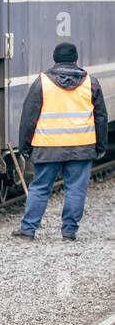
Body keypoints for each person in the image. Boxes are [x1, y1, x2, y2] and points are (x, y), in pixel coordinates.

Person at [14, 42, 108, 241]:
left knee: (39, 188)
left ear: (55, 59)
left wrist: (24, 146)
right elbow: (101, 118)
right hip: (81, 147)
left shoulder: (42, 82)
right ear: (76, 60)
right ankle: (69, 232)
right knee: (75, 189)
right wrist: (100, 146)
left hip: (48, 146)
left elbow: (28, 117)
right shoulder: (90, 82)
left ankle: (28, 230)